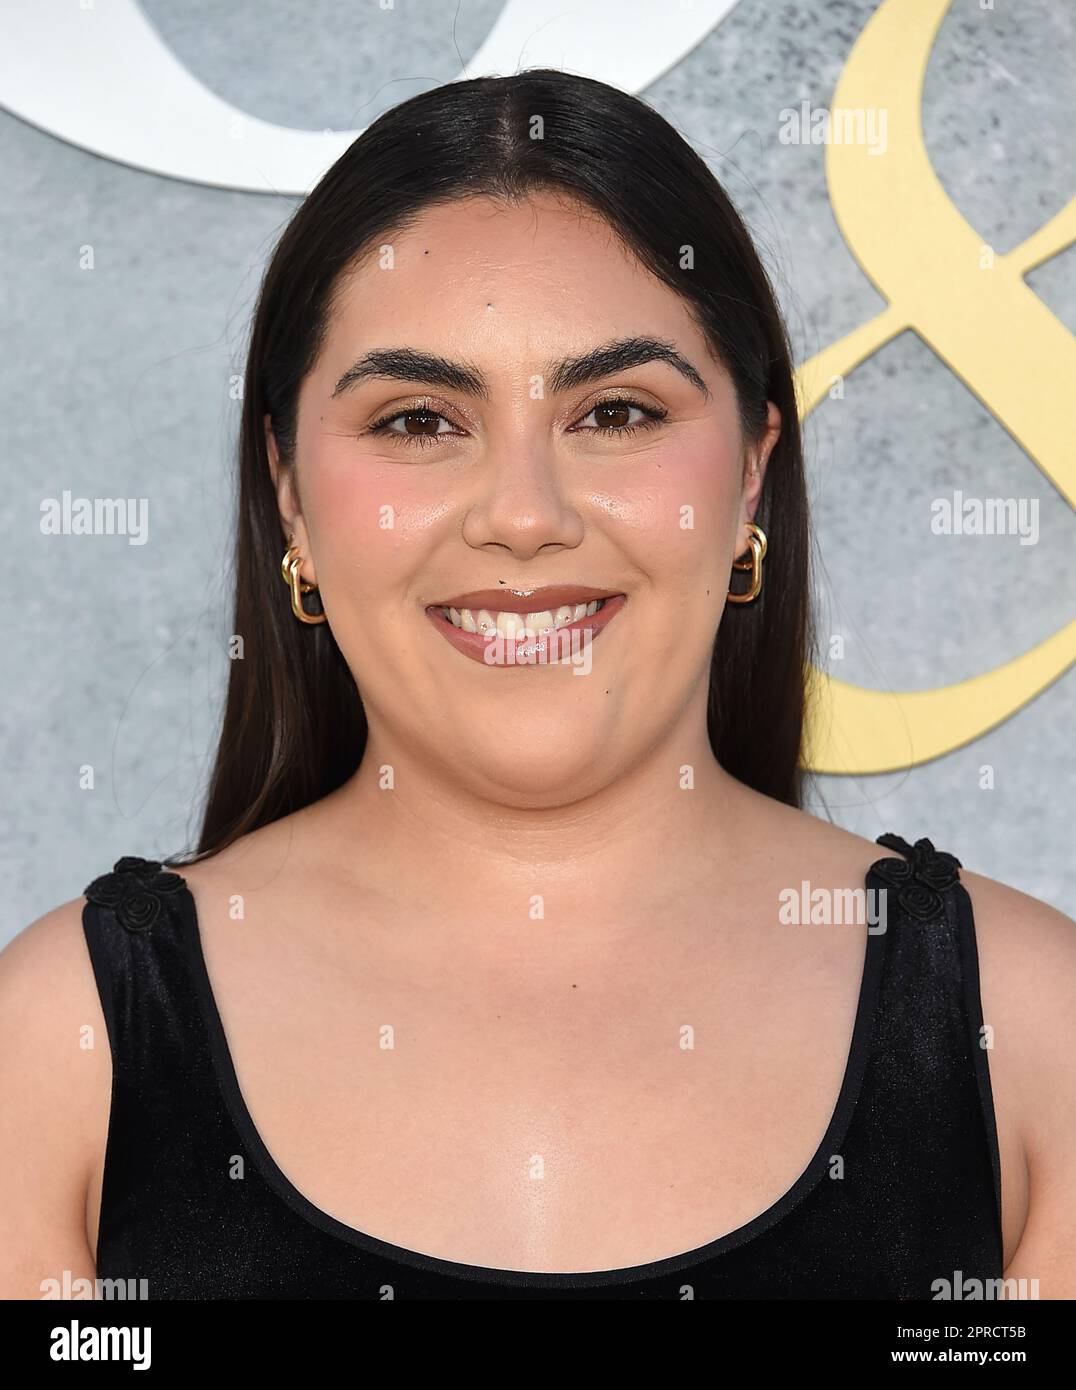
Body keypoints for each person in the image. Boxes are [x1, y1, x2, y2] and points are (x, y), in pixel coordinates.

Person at [2, 70, 1073, 1300]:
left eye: (614, 410)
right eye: (417, 421)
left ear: (748, 481)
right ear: (290, 494)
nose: (522, 516)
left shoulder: (1035, 1035)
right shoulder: (60, 1048)